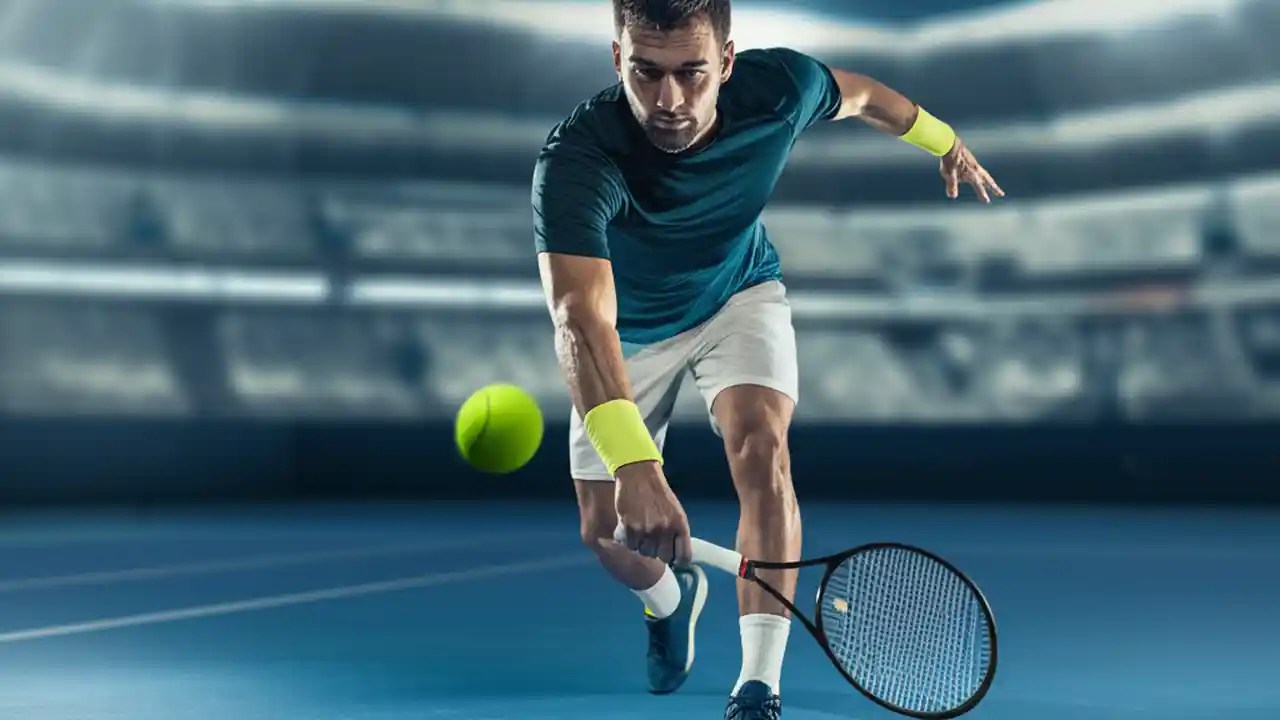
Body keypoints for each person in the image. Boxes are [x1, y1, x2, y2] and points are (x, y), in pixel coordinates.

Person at [531, 1, 1004, 717]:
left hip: (737, 295)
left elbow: (870, 97)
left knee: (761, 448)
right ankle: (669, 599)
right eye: (645, 72)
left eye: (691, 73)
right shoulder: (577, 160)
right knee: (605, 534)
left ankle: (758, 686)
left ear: (726, 61)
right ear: (616, 60)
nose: (668, 101)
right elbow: (579, 319)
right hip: (628, 333)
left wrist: (944, 141)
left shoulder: (778, 91)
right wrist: (634, 463)